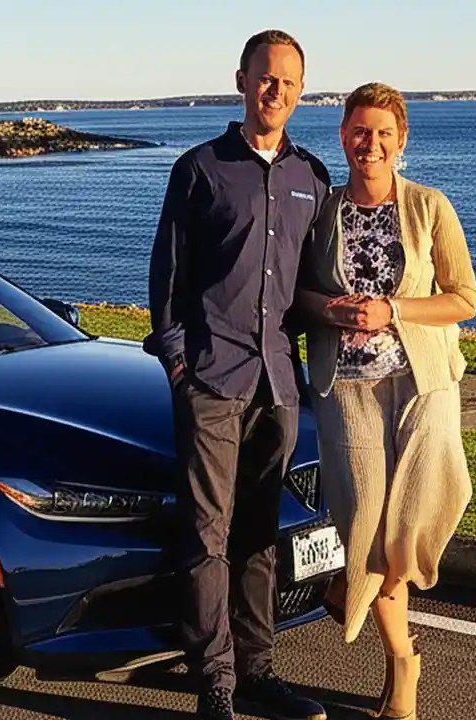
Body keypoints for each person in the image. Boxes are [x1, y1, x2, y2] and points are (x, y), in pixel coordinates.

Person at [146, 29, 331, 720]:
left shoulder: (311, 178)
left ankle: (258, 670)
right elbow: (167, 278)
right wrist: (177, 363)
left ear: (300, 91)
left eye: (287, 80)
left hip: (278, 384)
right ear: (241, 80)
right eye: (264, 77)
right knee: (208, 534)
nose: (274, 89)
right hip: (212, 378)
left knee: (261, 534)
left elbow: (314, 288)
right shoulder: (200, 169)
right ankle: (215, 681)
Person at [295, 82, 476, 719]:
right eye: (358, 131)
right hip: (347, 388)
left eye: (382, 133)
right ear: (342, 133)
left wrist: (392, 310)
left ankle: (370, 601)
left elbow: (463, 299)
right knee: (365, 524)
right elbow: (297, 297)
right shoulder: (323, 210)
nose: (368, 144)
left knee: (415, 520)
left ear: (401, 141)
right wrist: (334, 307)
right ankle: (402, 657)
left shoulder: (430, 207)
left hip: (423, 386)